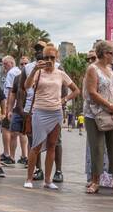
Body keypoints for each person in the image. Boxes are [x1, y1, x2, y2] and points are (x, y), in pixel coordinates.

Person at [23, 44, 78, 190]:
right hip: (40, 112)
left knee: (52, 146)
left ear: (56, 58)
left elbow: (76, 90)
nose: (49, 60)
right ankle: (29, 178)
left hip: (56, 113)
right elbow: (26, 86)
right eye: (46, 57)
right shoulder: (38, 72)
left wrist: (64, 100)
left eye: (52, 57)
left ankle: (48, 180)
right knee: (36, 146)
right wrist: (35, 69)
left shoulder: (60, 73)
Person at [83, 40, 113, 195]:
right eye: (112, 53)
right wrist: (112, 107)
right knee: (97, 148)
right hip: (95, 115)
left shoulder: (111, 71)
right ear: (103, 53)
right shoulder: (93, 69)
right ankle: (95, 181)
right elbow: (92, 93)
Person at [0, 55, 21, 163]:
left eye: (5, 63)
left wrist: (7, 108)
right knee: (17, 132)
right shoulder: (19, 72)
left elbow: (9, 92)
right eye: (3, 64)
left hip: (11, 105)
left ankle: (7, 153)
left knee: (5, 129)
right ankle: (12, 154)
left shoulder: (11, 73)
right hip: (19, 105)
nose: (4, 66)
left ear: (11, 63)